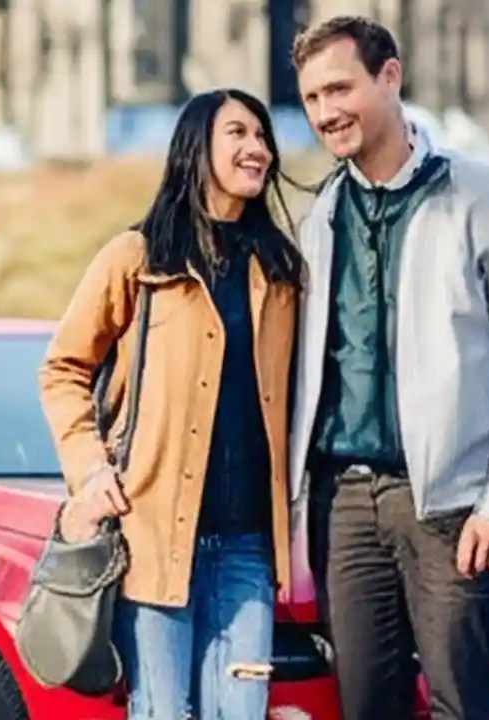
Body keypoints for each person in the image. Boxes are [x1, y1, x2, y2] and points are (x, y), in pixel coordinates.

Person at [286, 15, 489, 720]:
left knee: (461, 704)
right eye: (313, 98)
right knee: (365, 707)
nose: (327, 112)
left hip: (449, 503)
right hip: (342, 505)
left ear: (391, 77)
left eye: (341, 88)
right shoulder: (317, 220)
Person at [38, 89, 304, 720]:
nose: (257, 149)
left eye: (263, 136)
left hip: (247, 549)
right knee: (162, 712)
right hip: (154, 541)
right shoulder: (138, 259)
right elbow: (63, 368)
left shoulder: (283, 270)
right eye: (238, 133)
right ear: (196, 147)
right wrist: (91, 472)